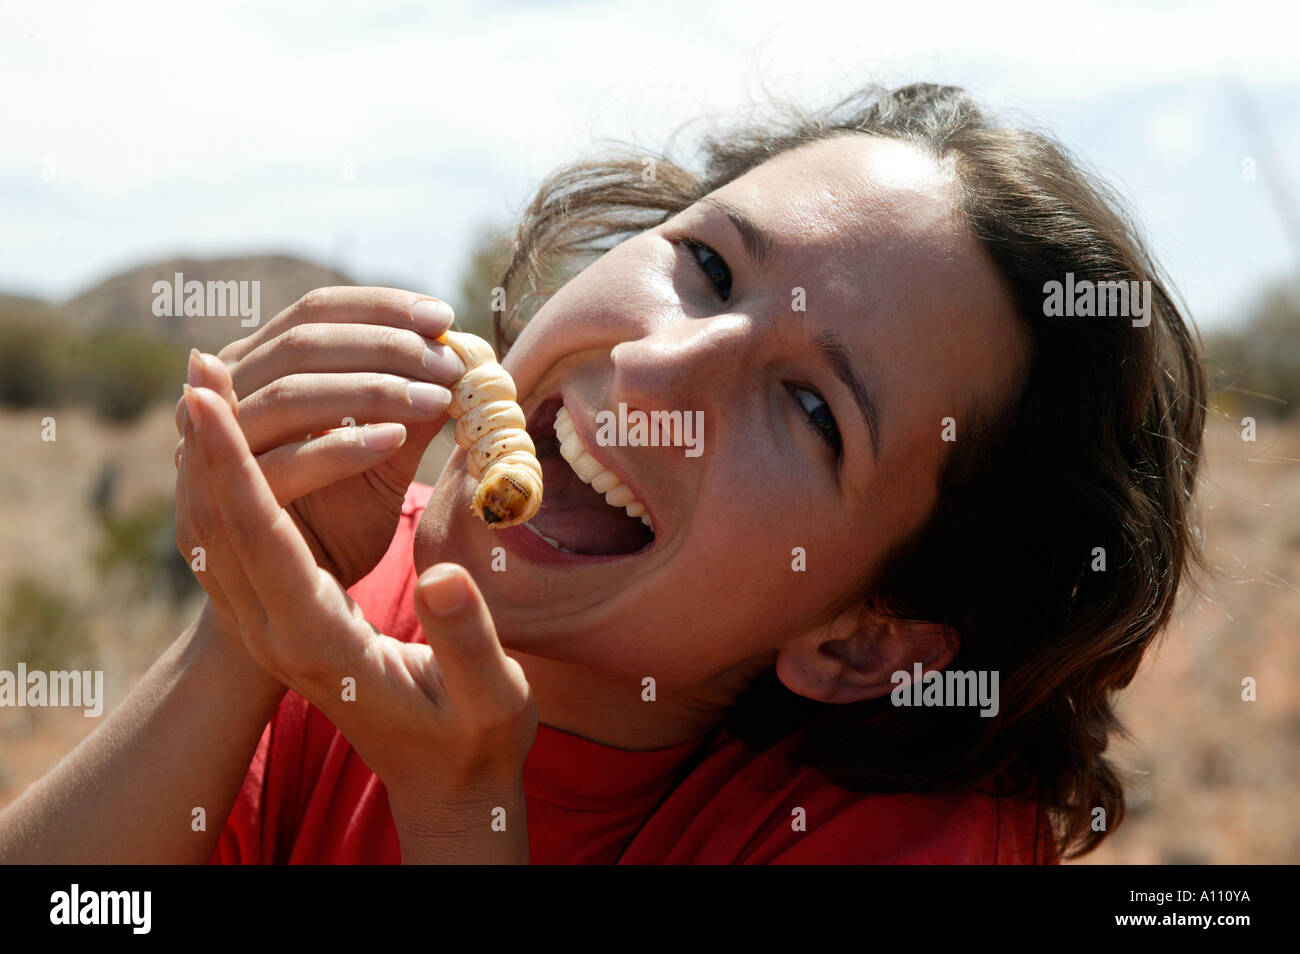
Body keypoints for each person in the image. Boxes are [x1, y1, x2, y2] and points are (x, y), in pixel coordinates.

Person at [0, 82, 1207, 864]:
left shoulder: (903, 842)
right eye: (708, 266)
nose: (655, 370)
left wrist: (461, 814)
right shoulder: (361, 605)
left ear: (861, 645)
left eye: (809, 407)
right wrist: (247, 634)